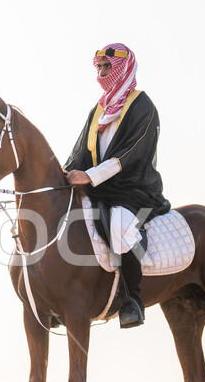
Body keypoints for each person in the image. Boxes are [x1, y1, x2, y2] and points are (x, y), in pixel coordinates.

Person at [64, 43, 170, 329]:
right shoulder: (98, 110)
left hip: (134, 189)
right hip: (102, 188)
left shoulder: (142, 106)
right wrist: (66, 174)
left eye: (107, 67)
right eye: (98, 67)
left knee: (121, 229)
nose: (101, 73)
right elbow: (81, 153)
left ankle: (131, 300)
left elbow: (131, 153)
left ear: (123, 68)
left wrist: (90, 176)